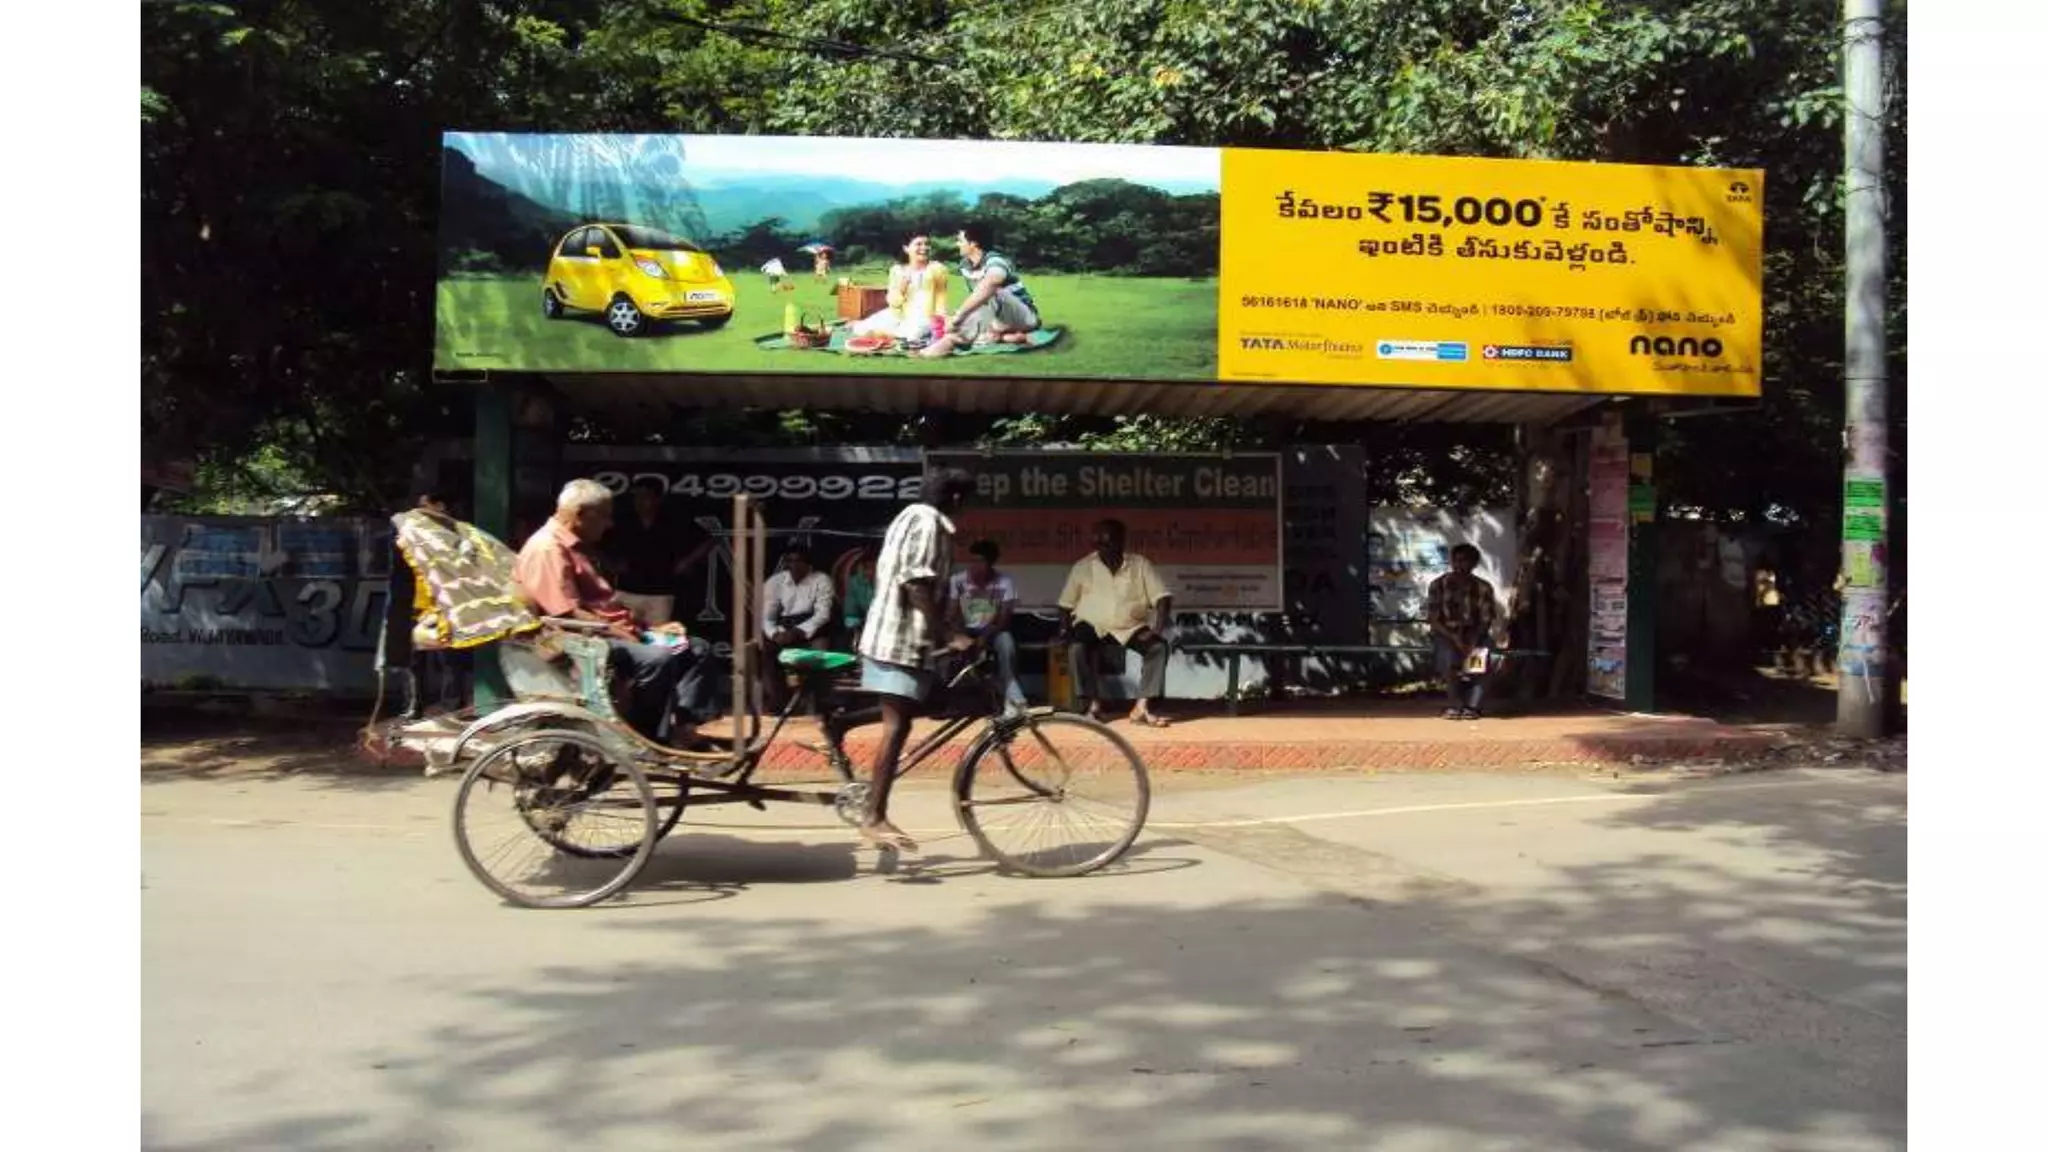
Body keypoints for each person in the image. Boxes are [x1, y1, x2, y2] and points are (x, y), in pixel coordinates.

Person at [514, 479, 716, 746]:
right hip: (583, 641)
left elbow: (603, 605)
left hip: (610, 632)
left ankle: (686, 729)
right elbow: (567, 613)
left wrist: (647, 629)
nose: (609, 525)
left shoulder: (575, 548)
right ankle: (647, 736)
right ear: (582, 514)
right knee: (657, 660)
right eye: (605, 517)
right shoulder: (548, 548)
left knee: (696, 649)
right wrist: (617, 631)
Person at [852, 465, 977, 850]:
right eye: (967, 501)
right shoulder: (927, 524)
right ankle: (873, 816)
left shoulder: (911, 516)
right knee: (897, 726)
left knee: (921, 705)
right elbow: (916, 585)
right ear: (955, 498)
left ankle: (840, 727)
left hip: (904, 638)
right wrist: (950, 634)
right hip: (899, 640)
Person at [1057, 519, 1173, 728]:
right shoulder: (1083, 567)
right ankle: (1091, 705)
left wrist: (1156, 629)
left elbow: (1163, 598)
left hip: (1130, 626)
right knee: (1076, 648)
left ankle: (1142, 707)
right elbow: (1065, 605)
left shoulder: (1140, 565)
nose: (1101, 547)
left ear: (1121, 541)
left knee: (1158, 647)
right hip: (1092, 625)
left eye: (1107, 542)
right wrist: (1065, 630)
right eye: (1097, 543)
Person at [604, 476, 714, 627]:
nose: (640, 502)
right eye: (636, 497)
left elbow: (709, 540)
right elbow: (596, 544)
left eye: (645, 497)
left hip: (661, 593)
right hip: (627, 590)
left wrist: (687, 563)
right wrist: (610, 563)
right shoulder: (623, 520)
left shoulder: (674, 520)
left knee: (657, 638)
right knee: (622, 634)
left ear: (658, 498)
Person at [920, 221, 1039, 357]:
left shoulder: (995, 260)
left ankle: (952, 340)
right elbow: (976, 301)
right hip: (997, 319)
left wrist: (958, 318)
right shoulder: (965, 266)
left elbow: (992, 282)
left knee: (990, 292)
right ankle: (1008, 337)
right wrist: (956, 316)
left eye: (960, 240)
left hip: (1023, 317)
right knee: (969, 316)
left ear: (973, 244)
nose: (957, 244)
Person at [948, 539, 1028, 718]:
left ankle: (1012, 701)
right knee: (948, 647)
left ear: (991, 563)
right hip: (966, 630)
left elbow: (1004, 619)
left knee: (1007, 642)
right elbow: (951, 615)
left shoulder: (1005, 581)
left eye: (980, 561)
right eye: (973, 561)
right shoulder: (958, 580)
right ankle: (952, 702)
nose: (975, 566)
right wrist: (960, 635)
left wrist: (985, 636)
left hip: (993, 630)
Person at [1426, 543, 1501, 720]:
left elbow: (1486, 618)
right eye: (1457, 561)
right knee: (1448, 658)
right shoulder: (1438, 585)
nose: (1460, 565)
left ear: (1474, 564)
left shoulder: (1483, 587)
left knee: (1482, 660)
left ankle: (1473, 707)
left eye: (1465, 561)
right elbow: (1434, 619)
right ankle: (1455, 705)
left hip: (1475, 633)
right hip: (1446, 633)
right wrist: (1455, 638)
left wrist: (1473, 641)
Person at [759, 542, 836, 711]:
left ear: (808, 563)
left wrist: (798, 631)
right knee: (763, 651)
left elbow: (823, 614)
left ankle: (815, 703)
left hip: (812, 629)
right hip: (783, 627)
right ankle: (777, 701)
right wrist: (775, 634)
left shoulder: (821, 580)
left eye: (798, 561)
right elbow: (767, 617)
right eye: (790, 561)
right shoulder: (775, 581)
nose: (794, 565)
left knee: (818, 656)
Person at [851, 233, 951, 341]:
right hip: (899, 314)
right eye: (919, 244)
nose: (924, 248)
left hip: (925, 315)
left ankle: (885, 334)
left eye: (927, 244)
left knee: (914, 334)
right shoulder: (897, 271)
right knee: (860, 329)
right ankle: (887, 333)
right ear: (906, 248)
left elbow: (941, 298)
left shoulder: (937, 269)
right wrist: (901, 289)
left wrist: (941, 319)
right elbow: (893, 302)